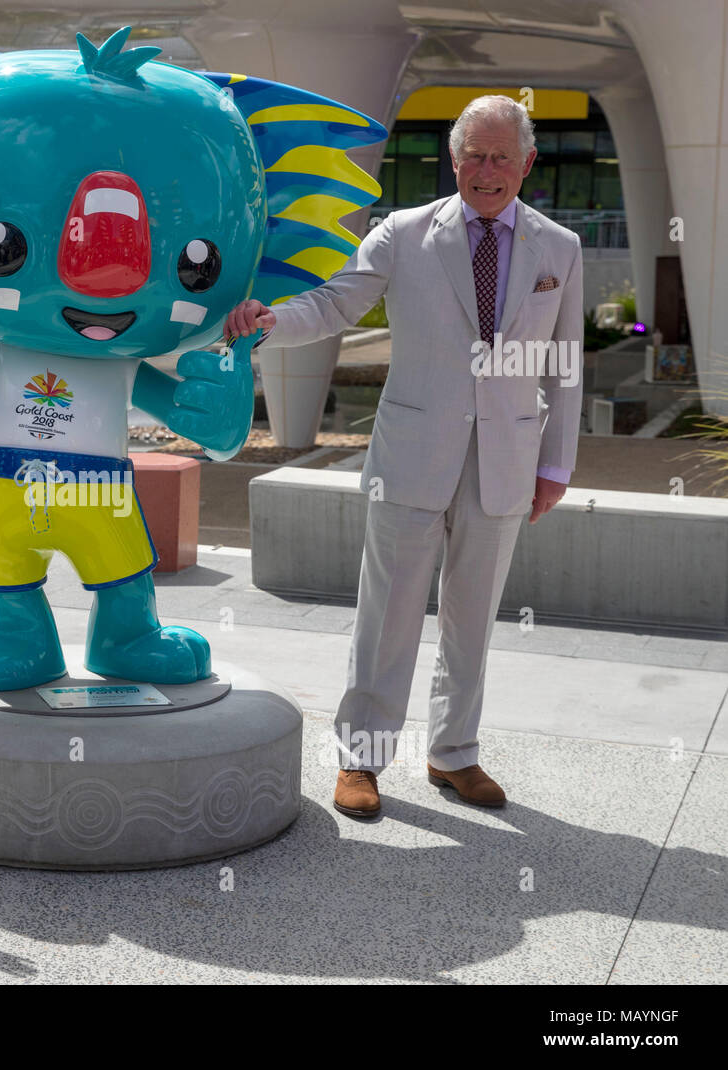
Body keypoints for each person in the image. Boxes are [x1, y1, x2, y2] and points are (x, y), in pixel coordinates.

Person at [226, 95, 582, 818]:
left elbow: (565, 364)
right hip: (413, 451)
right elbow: (333, 305)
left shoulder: (560, 248)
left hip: (506, 455)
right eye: (474, 156)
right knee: (386, 611)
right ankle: (360, 758)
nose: (486, 170)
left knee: (473, 615)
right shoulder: (404, 233)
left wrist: (555, 465)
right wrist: (270, 322)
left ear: (527, 163)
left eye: (500, 156)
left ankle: (455, 755)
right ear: (454, 161)